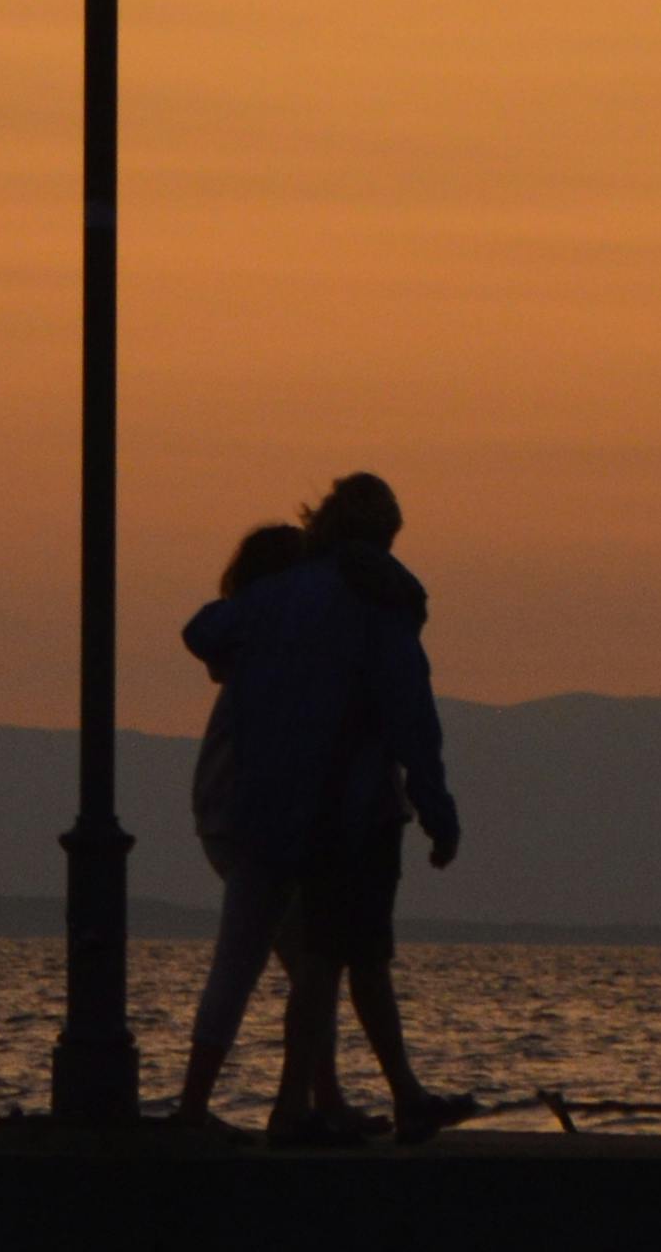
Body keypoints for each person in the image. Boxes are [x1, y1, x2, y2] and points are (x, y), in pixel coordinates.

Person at [186, 470, 468, 1145]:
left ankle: (334, 1101)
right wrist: (437, 807)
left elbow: (203, 631)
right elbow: (411, 713)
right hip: (350, 807)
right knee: (348, 957)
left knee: (319, 959)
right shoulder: (378, 598)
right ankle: (328, 1105)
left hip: (272, 807)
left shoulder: (280, 597)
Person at [162, 517, 320, 1128]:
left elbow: (204, 634)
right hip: (259, 818)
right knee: (268, 962)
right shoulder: (287, 635)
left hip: (233, 814)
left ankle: (309, 1100)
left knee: (304, 964)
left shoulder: (254, 637)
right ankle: (211, 1106)